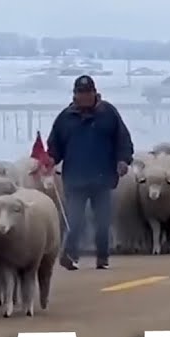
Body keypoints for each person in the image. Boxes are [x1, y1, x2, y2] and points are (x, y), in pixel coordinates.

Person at [46, 75, 134, 271]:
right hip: (75, 179)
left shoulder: (108, 113)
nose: (84, 97)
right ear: (75, 95)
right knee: (75, 221)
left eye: (87, 93)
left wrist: (123, 160)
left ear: (95, 93)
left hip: (103, 178)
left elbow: (123, 140)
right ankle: (70, 255)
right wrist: (50, 158)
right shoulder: (65, 118)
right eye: (80, 93)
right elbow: (55, 145)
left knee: (102, 221)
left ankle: (102, 257)